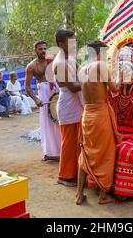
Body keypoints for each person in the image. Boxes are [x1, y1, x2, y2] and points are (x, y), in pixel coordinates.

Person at [76, 41, 121, 205]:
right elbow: (115, 89)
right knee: (107, 153)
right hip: (100, 114)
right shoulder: (101, 66)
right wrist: (121, 76)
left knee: (85, 154)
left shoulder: (82, 69)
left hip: (87, 115)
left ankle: (79, 194)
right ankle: (103, 195)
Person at [53, 30, 84, 187]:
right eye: (70, 42)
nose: (74, 44)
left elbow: (81, 72)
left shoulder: (70, 58)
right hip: (68, 104)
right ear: (60, 44)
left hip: (74, 104)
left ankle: (76, 173)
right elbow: (72, 87)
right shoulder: (60, 63)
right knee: (69, 143)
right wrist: (91, 82)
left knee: (77, 142)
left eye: (74, 41)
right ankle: (64, 176)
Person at [25, 41, 61, 161]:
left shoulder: (53, 60)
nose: (43, 51)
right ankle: (50, 152)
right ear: (35, 50)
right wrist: (36, 99)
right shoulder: (31, 66)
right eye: (40, 49)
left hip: (56, 90)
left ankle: (63, 150)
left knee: (59, 121)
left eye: (45, 48)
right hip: (44, 93)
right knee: (48, 122)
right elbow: (27, 86)